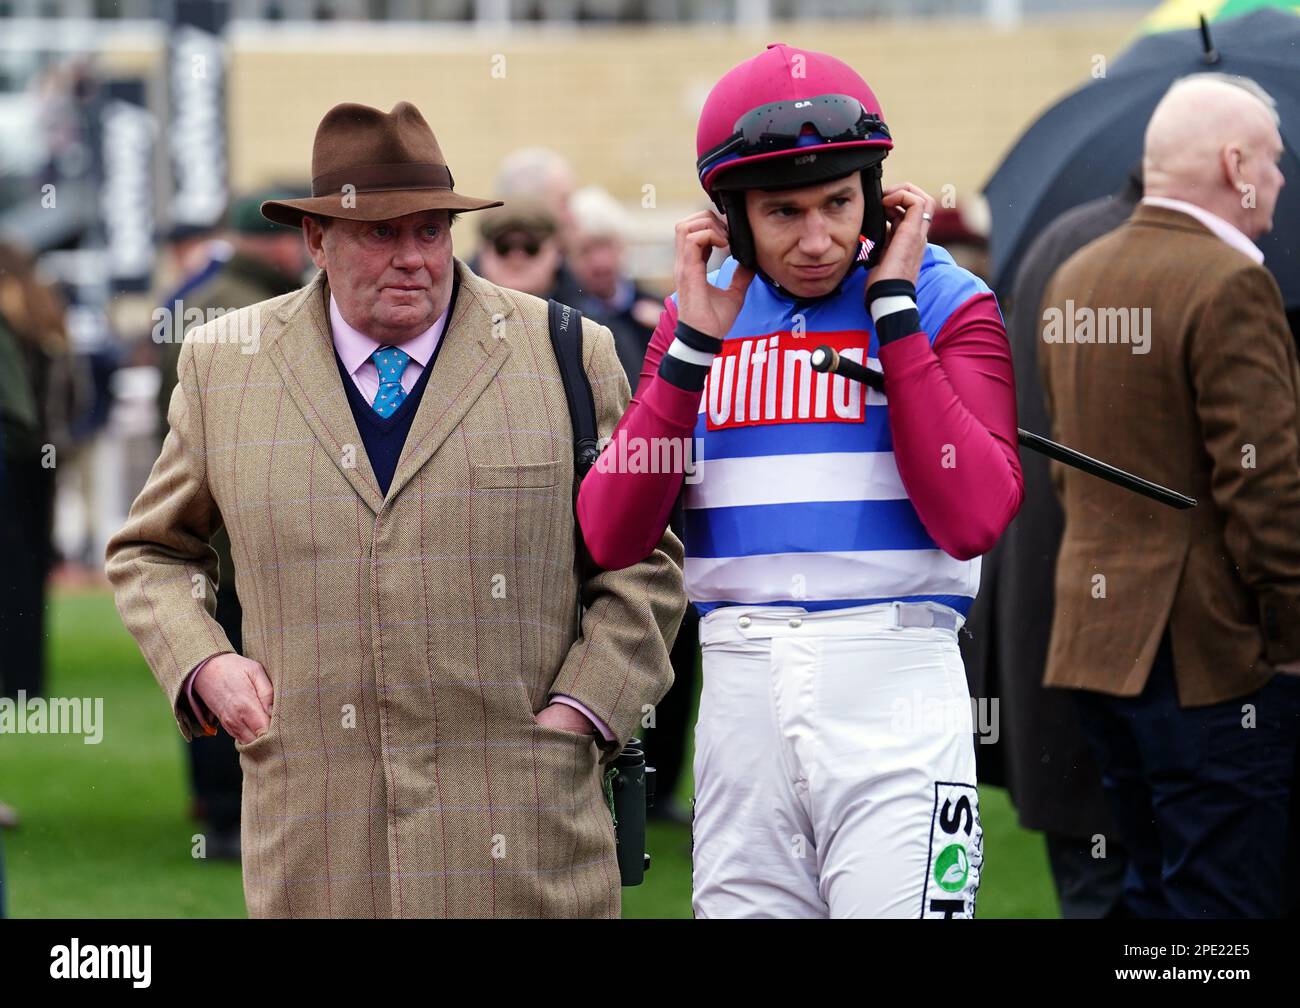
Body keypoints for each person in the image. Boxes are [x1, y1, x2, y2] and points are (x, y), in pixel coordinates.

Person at [106, 101, 686, 918]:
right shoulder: (222, 365)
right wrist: (204, 663)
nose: (412, 258)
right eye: (379, 233)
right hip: (318, 840)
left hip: (524, 834)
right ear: (316, 239)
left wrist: (584, 711)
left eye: (430, 230)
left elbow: (644, 559)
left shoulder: (567, 351)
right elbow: (151, 552)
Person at [576, 43, 1023, 918]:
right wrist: (690, 352)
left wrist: (893, 314)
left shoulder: (947, 298)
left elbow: (972, 516)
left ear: (877, 193)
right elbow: (611, 533)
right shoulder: (690, 317)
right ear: (728, 217)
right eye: (782, 212)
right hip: (740, 699)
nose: (816, 240)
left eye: (837, 204)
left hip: (898, 689)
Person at [1038, 73, 1300, 918]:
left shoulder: (1075, 274)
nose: (1282, 180)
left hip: (1098, 644)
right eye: (1274, 159)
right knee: (1225, 910)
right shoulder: (1229, 282)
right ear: (1235, 163)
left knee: (1152, 898)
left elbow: (1066, 471)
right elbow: (1267, 490)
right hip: (1209, 663)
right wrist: (1291, 640)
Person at [960, 168, 1142, 919]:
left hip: (1037, 599)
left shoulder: (1052, 244)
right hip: (1121, 624)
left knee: (1091, 875)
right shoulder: (1160, 265)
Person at [154, 190, 308, 862]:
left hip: (221, 523)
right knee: (230, 666)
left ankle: (221, 810)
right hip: (235, 526)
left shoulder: (211, 295)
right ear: (269, 242)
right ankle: (223, 814)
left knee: (225, 662)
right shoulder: (240, 307)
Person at [566, 185, 697, 823]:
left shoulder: (649, 309)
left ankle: (662, 789)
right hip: (609, 497)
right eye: (587, 246)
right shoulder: (568, 318)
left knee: (675, 654)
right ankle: (610, 777)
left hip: (664, 500)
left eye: (607, 245)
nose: (599, 258)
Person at [473, 201, 565, 299]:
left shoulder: (578, 312)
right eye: (503, 246)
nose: (516, 258)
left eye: (530, 246)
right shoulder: (457, 310)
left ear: (556, 252)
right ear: (483, 251)